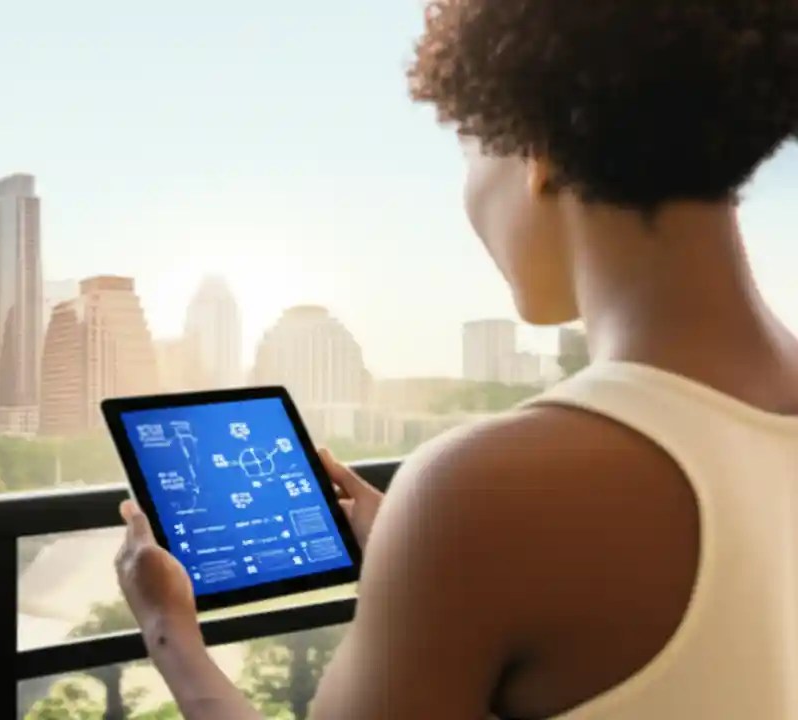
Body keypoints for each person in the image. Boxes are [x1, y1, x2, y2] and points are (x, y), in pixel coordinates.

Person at [114, 1, 798, 718]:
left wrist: (169, 634)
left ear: (540, 155)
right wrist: (421, 558)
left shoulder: (484, 489)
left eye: (470, 151)